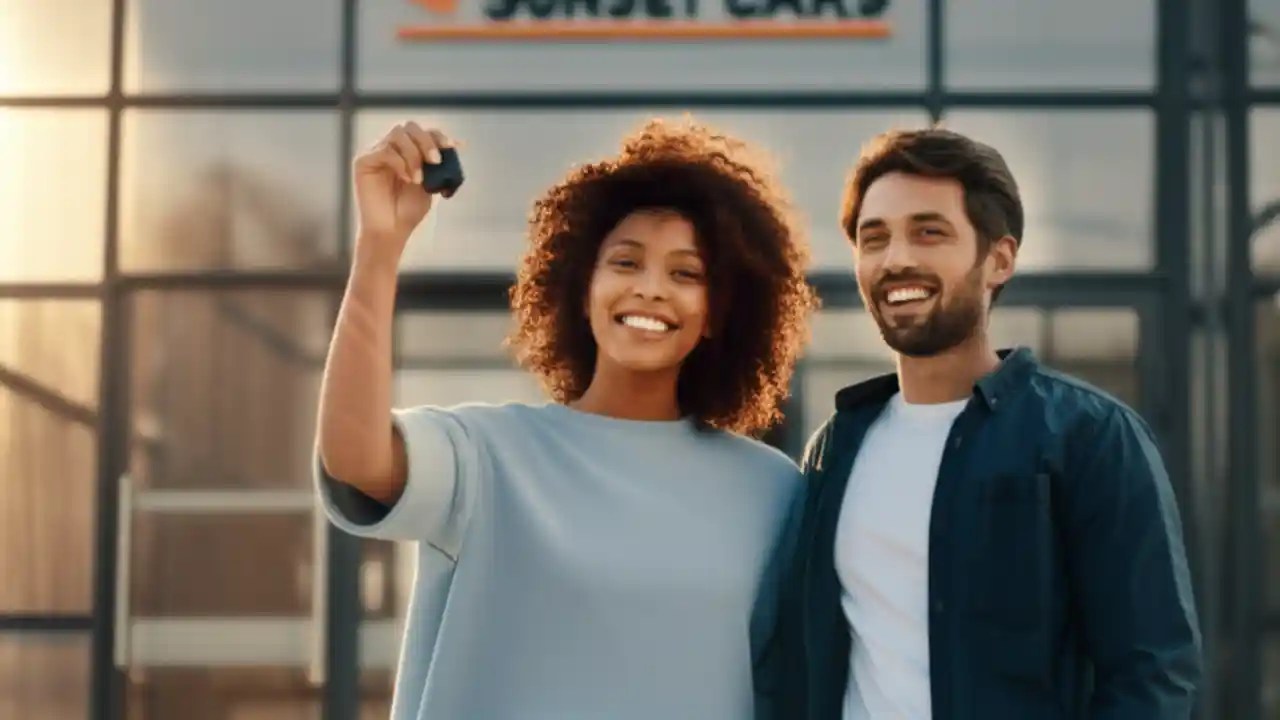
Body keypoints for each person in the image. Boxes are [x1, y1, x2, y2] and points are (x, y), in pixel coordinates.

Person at [314, 116, 819, 719]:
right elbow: (354, 455)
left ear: (717, 313)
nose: (651, 289)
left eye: (686, 273)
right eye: (626, 263)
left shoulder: (770, 488)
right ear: (584, 290)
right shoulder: (488, 456)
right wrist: (379, 245)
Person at [773, 127, 1203, 719]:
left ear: (997, 260)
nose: (896, 259)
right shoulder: (835, 447)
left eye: (929, 232)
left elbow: (1153, 672)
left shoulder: (1089, 436)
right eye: (875, 239)